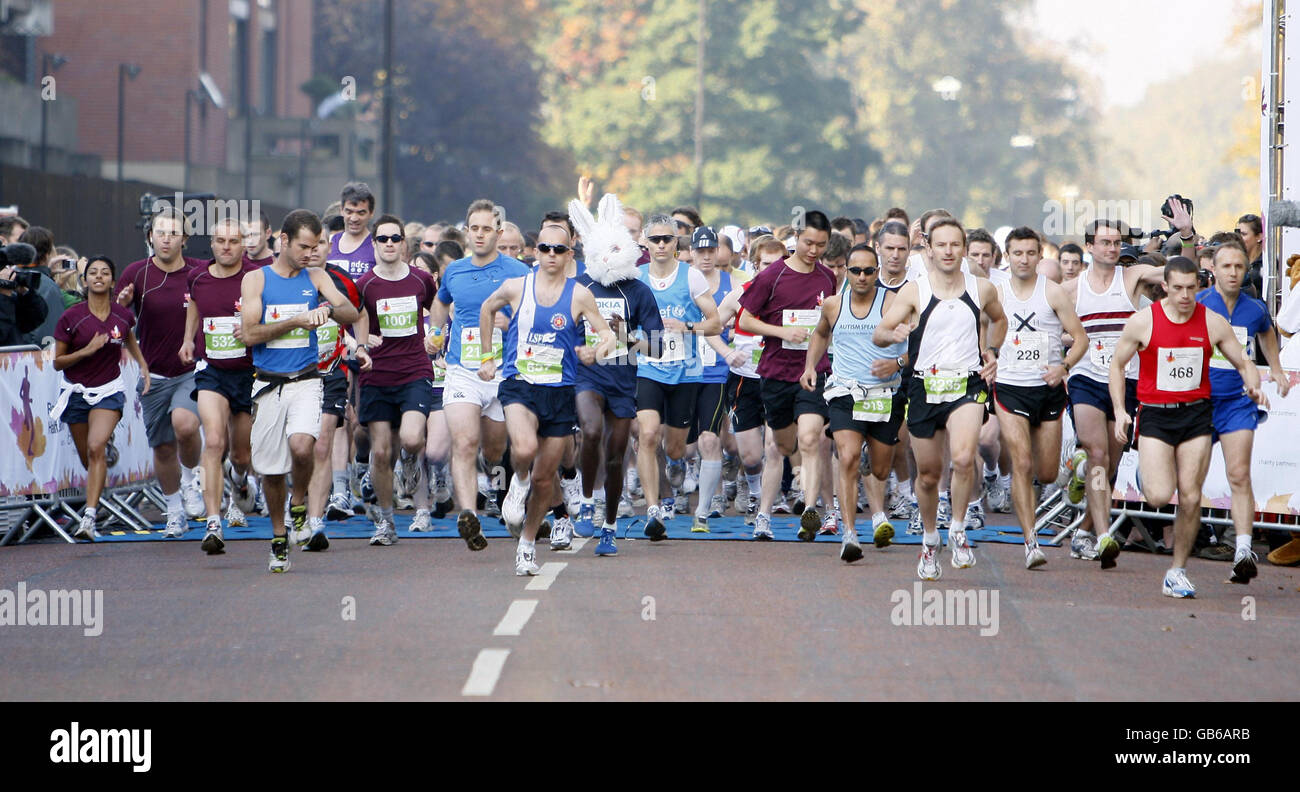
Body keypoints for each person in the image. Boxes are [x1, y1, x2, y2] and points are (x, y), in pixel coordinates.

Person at [1109, 256, 1266, 598]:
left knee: (1191, 495)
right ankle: (1147, 474)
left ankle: (1177, 571)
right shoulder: (1142, 322)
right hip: (1156, 414)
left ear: (1199, 286)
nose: (1184, 295)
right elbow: (1117, 365)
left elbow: (1243, 360)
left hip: (1196, 414)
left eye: (1190, 288)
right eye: (1177, 288)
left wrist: (1253, 385)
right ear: (1164, 286)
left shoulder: (1211, 322)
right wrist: (1121, 410)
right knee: (1158, 495)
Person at [873, 218, 1006, 581]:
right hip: (924, 385)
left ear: (964, 249)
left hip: (967, 382)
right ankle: (931, 539)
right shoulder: (915, 291)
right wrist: (894, 332)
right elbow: (880, 333)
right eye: (941, 245)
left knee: (964, 457)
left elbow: (1000, 320)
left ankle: (959, 528)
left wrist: (991, 350)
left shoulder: (982, 289)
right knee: (929, 474)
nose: (948, 251)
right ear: (928, 249)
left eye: (955, 245)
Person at [478, 223, 615, 574]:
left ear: (570, 254)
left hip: (559, 391)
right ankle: (516, 482)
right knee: (523, 450)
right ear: (534, 252)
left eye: (558, 249)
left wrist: (594, 351)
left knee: (545, 478)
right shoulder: (515, 287)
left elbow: (609, 337)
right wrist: (487, 357)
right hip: (520, 385)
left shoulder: (580, 294)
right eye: (544, 248)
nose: (551, 255)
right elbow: (486, 310)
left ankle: (526, 545)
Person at [241, 210, 360, 572]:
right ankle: (279, 536)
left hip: (307, 380)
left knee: (304, 446)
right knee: (271, 469)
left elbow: (351, 313)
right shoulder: (256, 280)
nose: (310, 254)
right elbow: (249, 334)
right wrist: (295, 320)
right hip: (267, 384)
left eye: (315, 246)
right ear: (284, 241)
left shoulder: (318, 276)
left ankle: (299, 504)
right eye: (303, 247)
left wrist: (329, 308)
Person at [1059, 217, 1166, 568]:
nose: (1112, 248)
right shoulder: (1072, 289)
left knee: (1110, 465)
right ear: (1089, 247)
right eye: (1105, 242)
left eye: (1117, 243)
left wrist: (1185, 236)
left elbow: (1180, 275)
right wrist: (1073, 345)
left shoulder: (1132, 277)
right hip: (1087, 377)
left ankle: (1084, 534)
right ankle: (1105, 535)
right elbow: (1055, 330)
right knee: (1097, 452)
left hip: (1126, 380)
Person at [428, 199, 531, 551]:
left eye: (488, 229)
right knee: (464, 441)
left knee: (495, 448)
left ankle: (502, 493)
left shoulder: (518, 271)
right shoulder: (455, 270)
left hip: (504, 373)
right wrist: (434, 332)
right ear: (467, 231)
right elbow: (441, 302)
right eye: (475, 228)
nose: (481, 235)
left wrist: (511, 321)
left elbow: (536, 311)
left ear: (498, 232)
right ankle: (469, 514)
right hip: (462, 370)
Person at [803, 243, 908, 562]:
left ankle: (868, 457)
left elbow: (917, 346)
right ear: (845, 272)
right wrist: (810, 367)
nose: (862, 277)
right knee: (845, 456)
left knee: (879, 468)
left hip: (885, 393)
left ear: (878, 273)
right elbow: (821, 334)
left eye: (868, 271)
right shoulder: (834, 305)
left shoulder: (895, 304)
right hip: (845, 391)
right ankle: (850, 534)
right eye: (856, 270)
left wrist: (898, 364)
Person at [738, 210, 838, 541]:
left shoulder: (827, 278)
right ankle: (763, 516)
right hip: (777, 371)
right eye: (808, 242)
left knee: (812, 438)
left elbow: (827, 325)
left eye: (821, 245)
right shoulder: (773, 276)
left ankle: (809, 510)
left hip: (813, 371)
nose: (814, 250)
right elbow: (746, 320)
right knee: (780, 446)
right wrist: (782, 331)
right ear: (796, 238)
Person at [991, 227, 1088, 569]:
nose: (1024, 259)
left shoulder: (1053, 292)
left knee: (1045, 474)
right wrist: (987, 359)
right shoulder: (996, 292)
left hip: (1046, 390)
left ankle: (1071, 465)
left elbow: (1080, 339)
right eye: (1017, 253)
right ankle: (1030, 541)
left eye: (1031, 253)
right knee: (1021, 462)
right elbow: (978, 332)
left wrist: (1063, 366)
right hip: (1009, 387)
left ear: (1038, 256)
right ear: (1008, 256)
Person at [572, 197, 664, 553]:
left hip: (624, 381)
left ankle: (609, 526)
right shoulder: (582, 286)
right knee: (591, 431)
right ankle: (585, 502)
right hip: (589, 376)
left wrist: (622, 335)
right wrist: (580, 348)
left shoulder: (639, 292)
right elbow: (566, 328)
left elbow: (657, 347)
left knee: (615, 454)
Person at [1196, 238, 1289, 581]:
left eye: (1239, 267)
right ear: (1214, 270)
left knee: (1238, 473)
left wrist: (1275, 368)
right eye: (1226, 267)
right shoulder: (1199, 304)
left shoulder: (1255, 308)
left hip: (1238, 401)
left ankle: (1243, 550)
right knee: (1189, 479)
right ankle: (1185, 552)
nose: (1233, 273)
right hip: (1201, 400)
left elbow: (1267, 333)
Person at [116, 207, 207, 535]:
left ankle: (191, 479)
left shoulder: (199, 272)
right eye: (160, 232)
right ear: (149, 237)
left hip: (191, 369)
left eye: (173, 233)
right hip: (153, 373)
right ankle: (173, 510)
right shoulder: (136, 274)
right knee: (163, 446)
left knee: (185, 425)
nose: (166, 238)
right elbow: (115, 322)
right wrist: (122, 305)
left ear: (184, 239)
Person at [635, 215, 722, 539]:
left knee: (674, 448)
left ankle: (675, 465)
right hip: (647, 367)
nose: (660, 245)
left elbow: (715, 324)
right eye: (655, 239)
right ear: (645, 242)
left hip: (686, 373)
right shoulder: (635, 277)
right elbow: (622, 322)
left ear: (676, 243)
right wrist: (632, 340)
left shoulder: (692, 277)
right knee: (647, 434)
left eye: (667, 239)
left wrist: (686, 327)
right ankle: (653, 509)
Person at [353, 214, 438, 546]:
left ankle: (411, 459)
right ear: (373, 244)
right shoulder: (364, 286)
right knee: (381, 451)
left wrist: (434, 335)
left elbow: (437, 309)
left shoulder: (420, 280)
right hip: (376, 375)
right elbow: (349, 322)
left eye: (395, 239)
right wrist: (360, 342)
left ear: (404, 244)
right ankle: (387, 522)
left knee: (413, 438)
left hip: (415, 370)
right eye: (382, 239)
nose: (389, 244)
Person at [52, 256, 149, 541]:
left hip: (109, 390)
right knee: (89, 458)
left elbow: (129, 337)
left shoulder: (122, 315)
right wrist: (86, 351)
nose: (98, 277)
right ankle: (104, 458)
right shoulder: (72, 317)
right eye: (92, 272)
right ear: (84, 280)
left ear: (112, 280)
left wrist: (142, 365)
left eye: (105, 272)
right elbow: (58, 362)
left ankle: (89, 518)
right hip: (76, 393)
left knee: (96, 447)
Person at [179, 217, 260, 554]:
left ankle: (239, 478)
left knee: (241, 454)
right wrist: (187, 340)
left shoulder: (256, 277)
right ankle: (214, 524)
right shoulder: (198, 276)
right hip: (212, 370)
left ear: (244, 244)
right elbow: (195, 306)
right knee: (213, 440)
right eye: (220, 240)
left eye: (233, 241)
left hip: (249, 373)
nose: (226, 247)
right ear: (211, 244)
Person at [688, 226, 735, 533]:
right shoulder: (681, 280)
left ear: (718, 252)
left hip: (716, 372)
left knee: (710, 438)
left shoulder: (733, 285)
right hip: (679, 371)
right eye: (700, 251)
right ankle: (677, 468)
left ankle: (704, 509)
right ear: (691, 252)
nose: (706, 257)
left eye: (710, 251)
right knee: (679, 446)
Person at [0, 242, 49, 346]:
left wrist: (25, 293)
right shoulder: (5, 295)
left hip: (15, 358)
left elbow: (34, 319)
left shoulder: (9, 295)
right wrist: (4, 295)